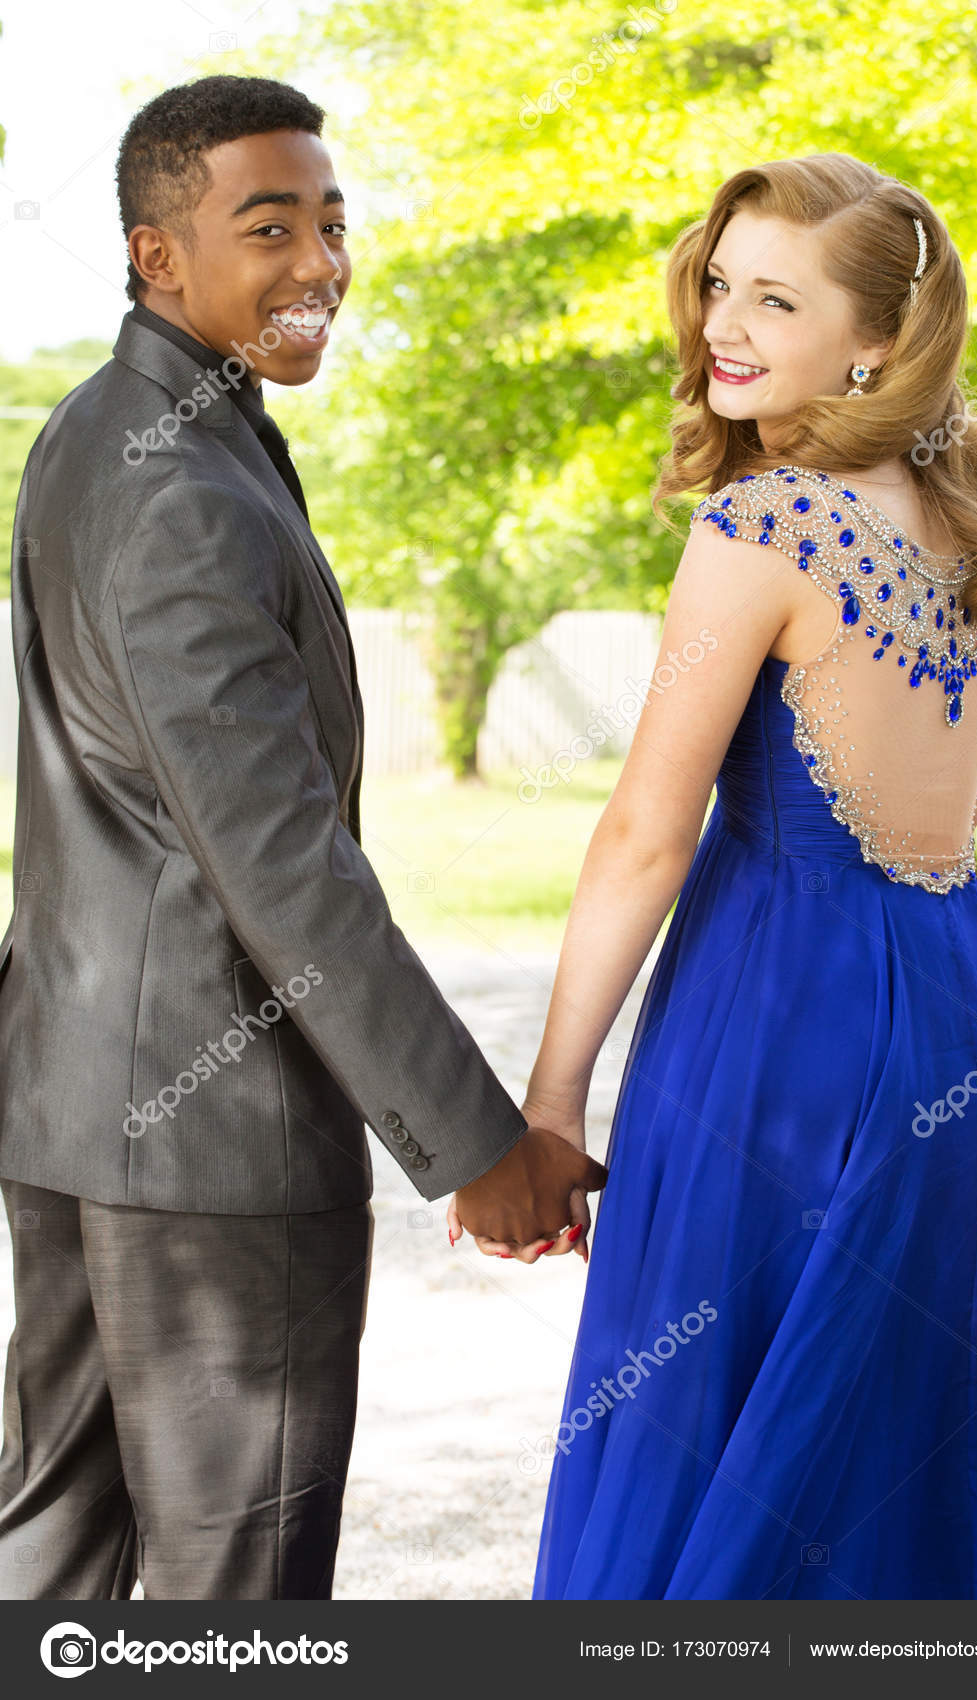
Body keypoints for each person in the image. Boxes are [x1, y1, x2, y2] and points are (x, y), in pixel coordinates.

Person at [0, 73, 606, 1601]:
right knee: (235, 1586)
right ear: (160, 258)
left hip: (72, 1115)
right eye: (268, 227)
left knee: (55, 1558)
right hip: (209, 1145)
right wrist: (477, 1147)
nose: (321, 262)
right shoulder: (182, 487)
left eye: (332, 223)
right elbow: (280, 866)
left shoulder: (108, 429)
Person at [492, 154, 977, 1600]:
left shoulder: (760, 529)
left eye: (775, 299)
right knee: (894, 1409)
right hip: (948, 998)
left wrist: (551, 1108)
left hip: (774, 1011)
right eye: (719, 284)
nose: (723, 326)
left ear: (876, 341)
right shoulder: (969, 515)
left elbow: (644, 834)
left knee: (706, 1404)